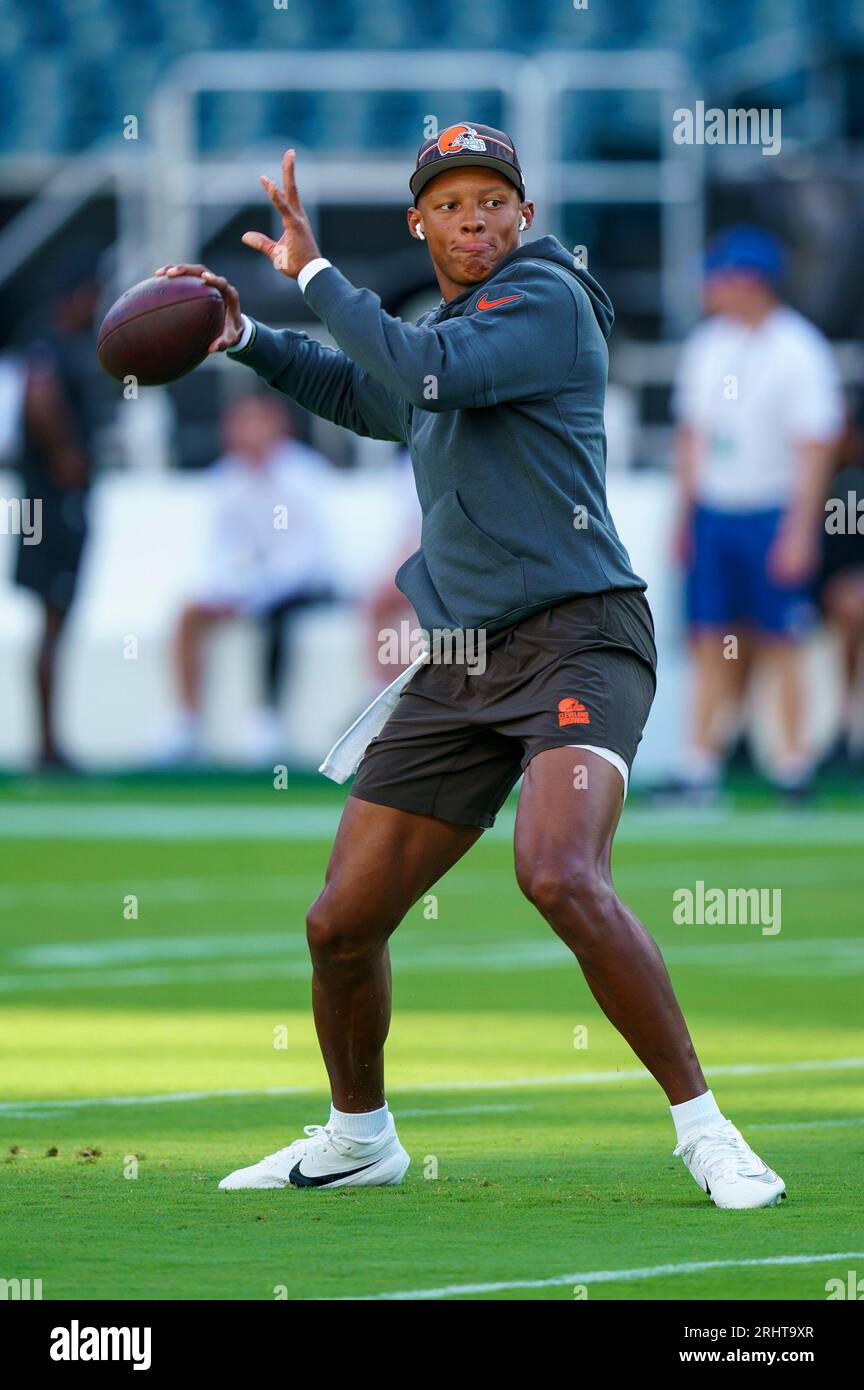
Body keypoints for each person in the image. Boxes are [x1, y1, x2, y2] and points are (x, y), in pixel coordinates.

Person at [157, 126, 786, 1209]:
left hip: (580, 636)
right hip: (461, 656)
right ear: (421, 224)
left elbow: (420, 371)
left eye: (494, 199)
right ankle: (361, 1136)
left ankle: (708, 1130)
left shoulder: (546, 299)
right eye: (451, 205)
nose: (476, 219)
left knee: (556, 868)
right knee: (340, 922)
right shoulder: (448, 328)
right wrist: (244, 331)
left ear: (525, 215)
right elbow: (375, 397)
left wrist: (312, 269)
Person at [672, 226, 844, 800]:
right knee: (710, 638)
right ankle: (701, 764)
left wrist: (801, 529)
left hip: (772, 510)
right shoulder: (708, 344)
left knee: (781, 641)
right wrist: (686, 516)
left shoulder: (799, 348)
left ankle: (792, 764)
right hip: (717, 513)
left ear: (748, 282)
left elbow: (816, 445)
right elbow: (693, 436)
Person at [152, 393, 336, 765]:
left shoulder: (305, 475)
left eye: (257, 421)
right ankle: (186, 722)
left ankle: (266, 719)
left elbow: (306, 558)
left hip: (304, 587)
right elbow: (220, 549)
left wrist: (258, 591)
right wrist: (229, 590)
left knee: (278, 616)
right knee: (189, 613)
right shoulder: (224, 478)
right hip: (248, 588)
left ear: (279, 427)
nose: (248, 432)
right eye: (240, 422)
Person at [13, 257, 104, 770]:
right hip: (52, 506)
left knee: (56, 621)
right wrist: (66, 455)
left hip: (50, 504)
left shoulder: (60, 346)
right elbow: (38, 396)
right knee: (52, 619)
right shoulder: (53, 345)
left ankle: (48, 741)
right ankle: (46, 746)